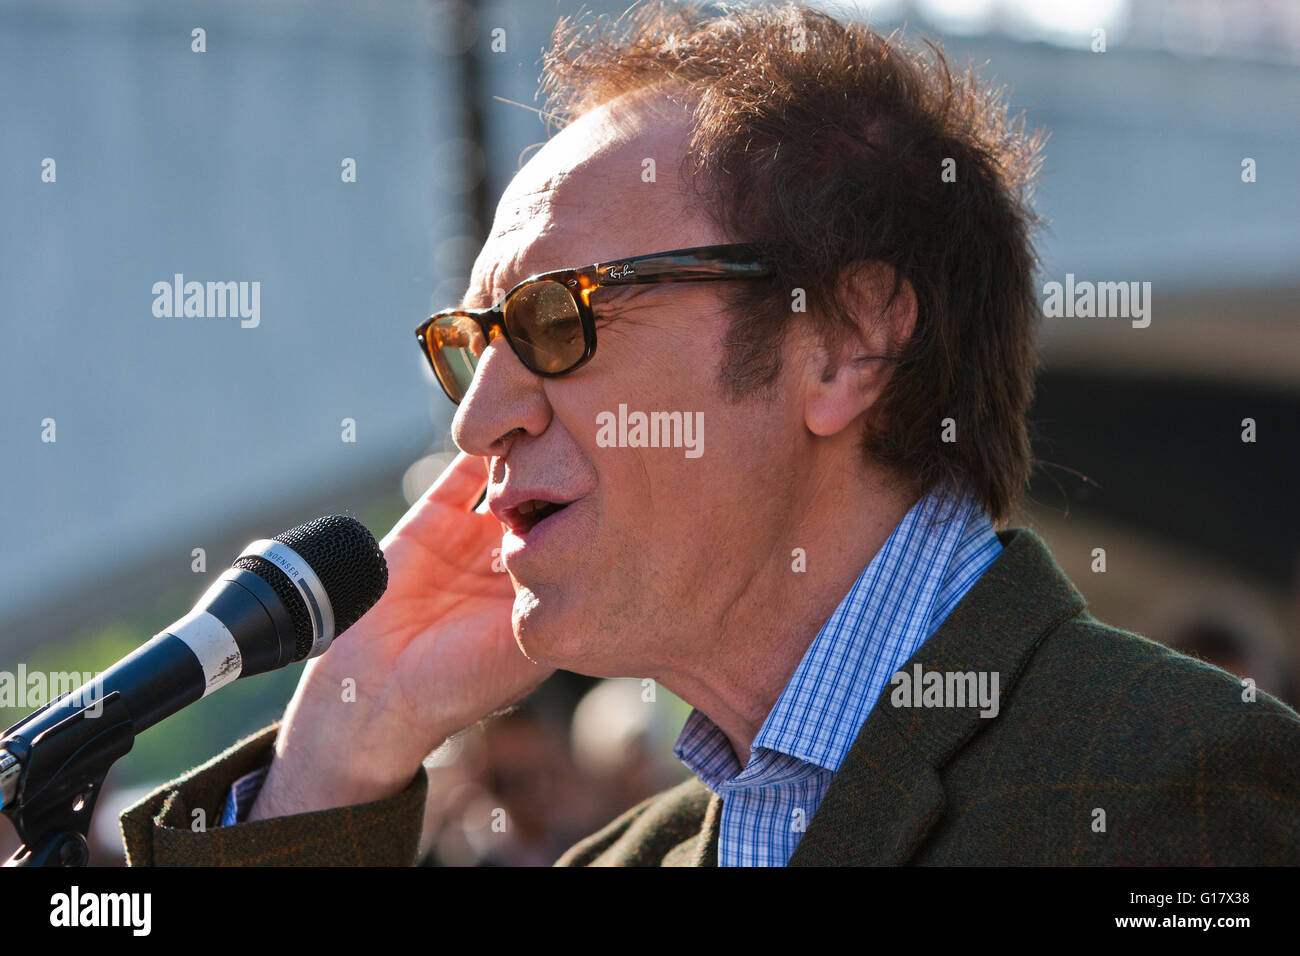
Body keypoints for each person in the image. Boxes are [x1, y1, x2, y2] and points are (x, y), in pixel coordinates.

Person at [121, 0, 1300, 866]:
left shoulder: (1171, 783)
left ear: (844, 341)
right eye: (472, 345)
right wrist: (345, 738)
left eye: (553, 318)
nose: (480, 416)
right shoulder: (627, 857)